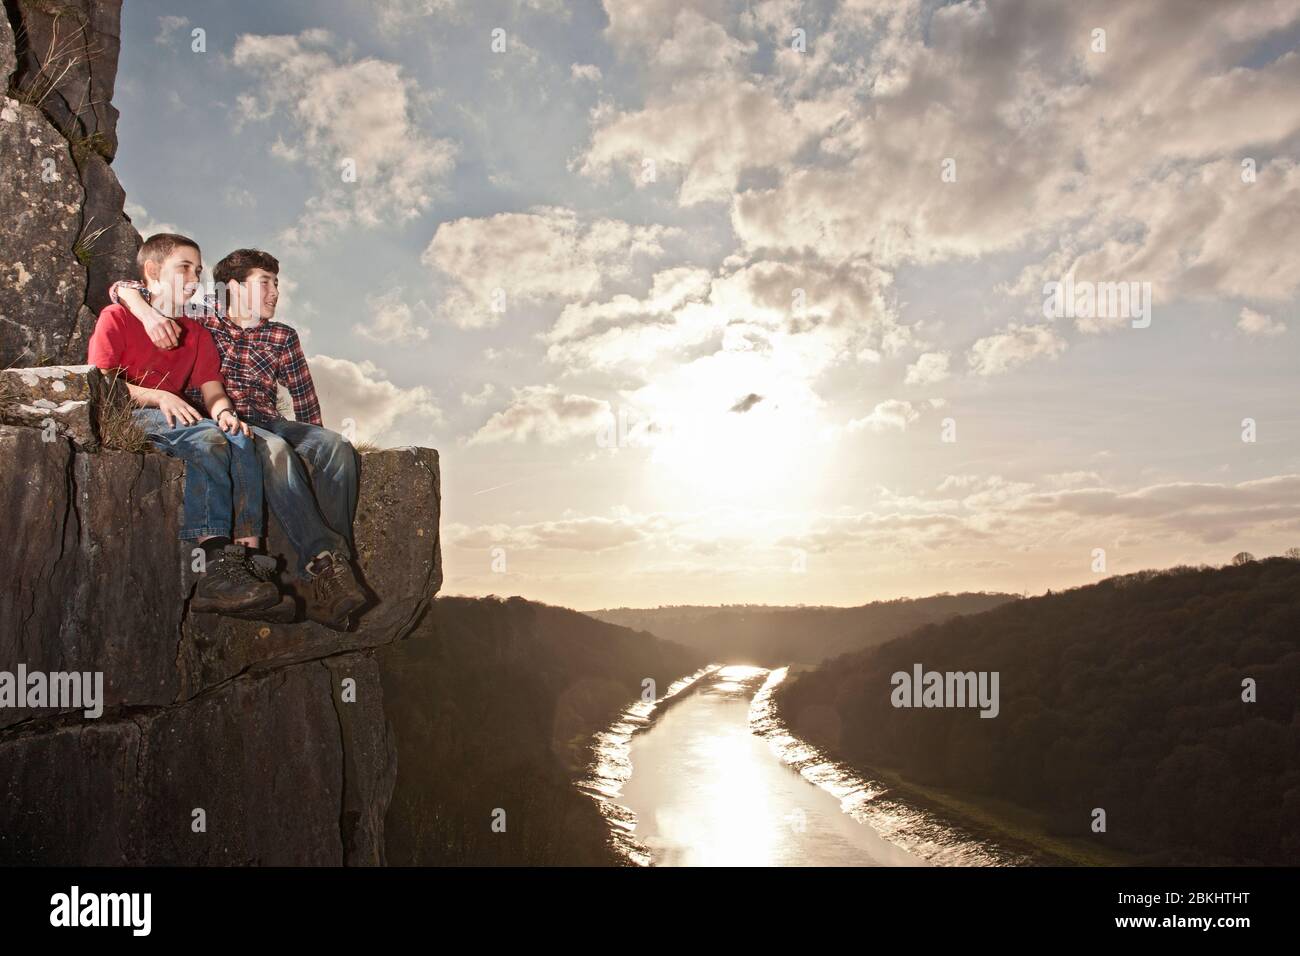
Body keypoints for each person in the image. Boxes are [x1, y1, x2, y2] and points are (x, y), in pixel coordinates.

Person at [109, 249, 366, 630]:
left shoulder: (283, 336)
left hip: (268, 417)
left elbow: (305, 399)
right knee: (274, 452)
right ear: (233, 287)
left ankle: (333, 575)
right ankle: (319, 563)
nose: (275, 292)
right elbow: (126, 287)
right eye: (265, 283)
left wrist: (316, 442)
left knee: (337, 448)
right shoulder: (200, 318)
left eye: (276, 284)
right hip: (222, 418)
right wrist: (142, 309)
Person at [88, 233, 279, 615]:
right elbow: (102, 383)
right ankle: (215, 567)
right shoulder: (118, 316)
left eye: (199, 269)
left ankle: (248, 564)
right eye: (185, 267)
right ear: (154, 272)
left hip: (175, 415)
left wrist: (225, 411)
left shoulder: (198, 333)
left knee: (238, 437)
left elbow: (212, 390)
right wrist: (158, 395)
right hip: (131, 413)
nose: (195, 277)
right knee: (208, 439)